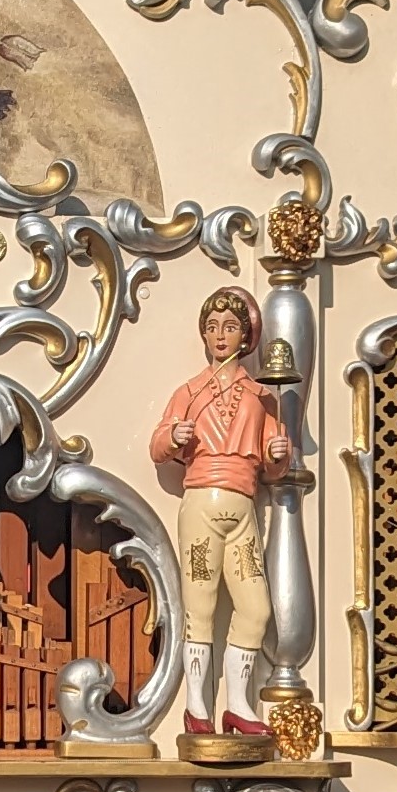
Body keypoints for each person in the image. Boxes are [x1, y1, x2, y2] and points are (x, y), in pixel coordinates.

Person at [148, 285, 292, 741]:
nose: (220, 336)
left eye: (230, 327)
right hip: (203, 501)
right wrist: (174, 436)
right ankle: (196, 707)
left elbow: (274, 464)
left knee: (255, 607)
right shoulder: (190, 391)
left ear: (246, 334)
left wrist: (277, 452)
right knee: (200, 604)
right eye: (212, 328)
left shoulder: (261, 395)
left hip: (242, 503)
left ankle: (238, 704)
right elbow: (158, 445)